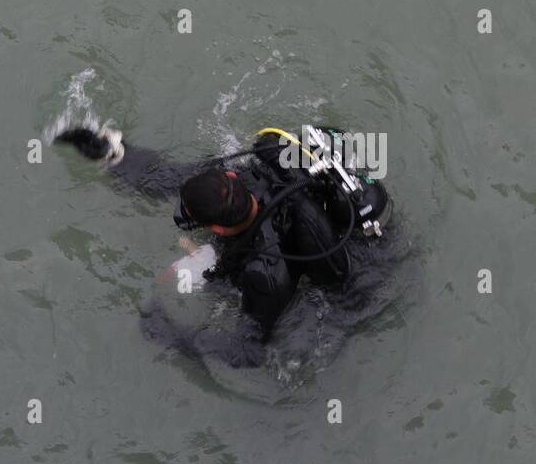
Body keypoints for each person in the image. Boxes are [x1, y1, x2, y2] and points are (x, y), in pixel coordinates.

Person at [54, 124, 394, 367]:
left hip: (353, 282)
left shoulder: (265, 274)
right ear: (229, 177)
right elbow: (165, 178)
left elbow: (248, 352)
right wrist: (115, 156)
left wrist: (172, 336)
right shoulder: (248, 170)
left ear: (216, 227)